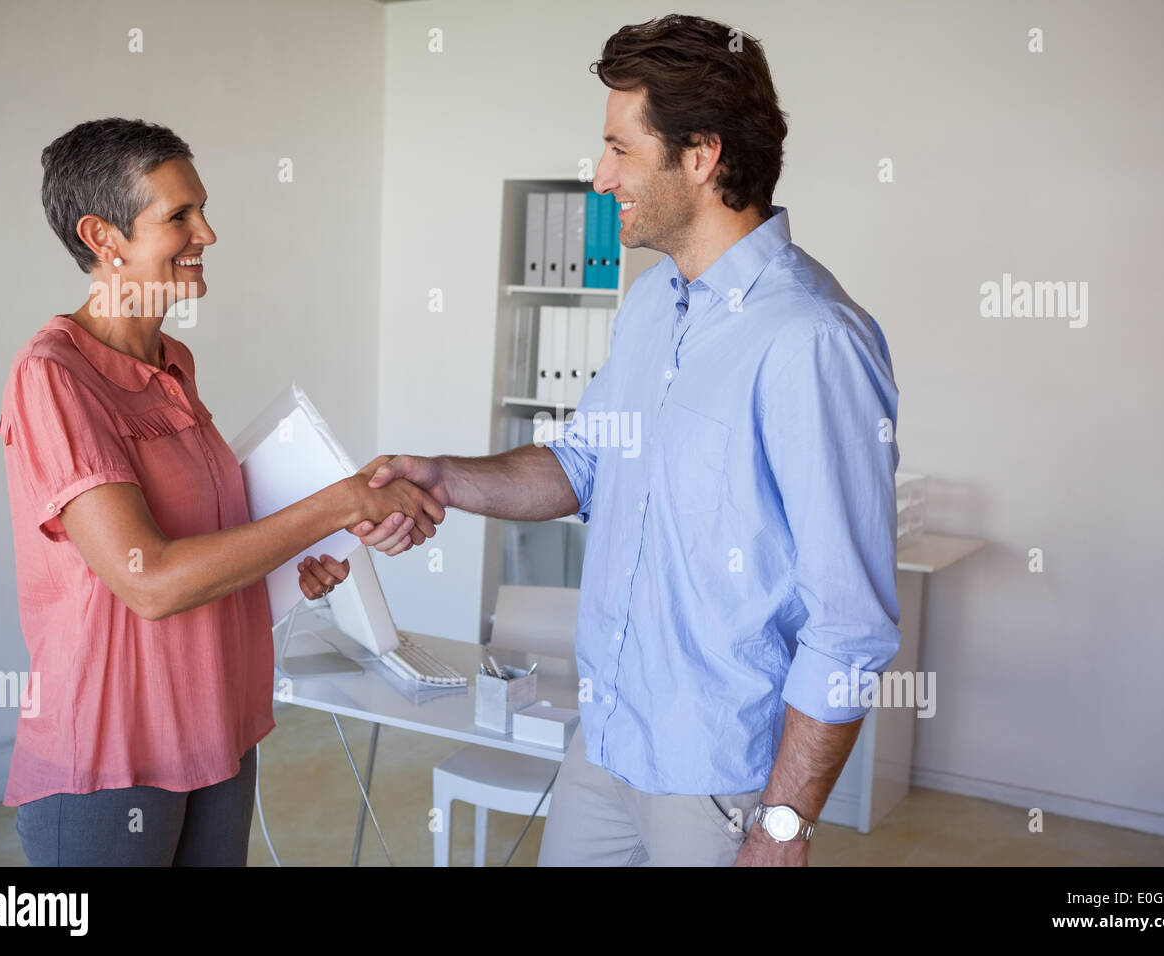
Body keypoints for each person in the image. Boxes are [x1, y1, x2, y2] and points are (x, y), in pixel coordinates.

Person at [336, 14, 903, 867]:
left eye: (619, 149)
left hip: (718, 778)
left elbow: (850, 627)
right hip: (603, 744)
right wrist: (442, 477)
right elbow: (581, 466)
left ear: (701, 156)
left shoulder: (812, 340)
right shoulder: (650, 304)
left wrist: (783, 824)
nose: (600, 177)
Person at [0, 117, 443, 866]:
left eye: (200, 208)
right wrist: (336, 504)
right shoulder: (53, 375)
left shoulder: (175, 362)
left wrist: (293, 561)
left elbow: (200, 547)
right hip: (116, 744)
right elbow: (152, 582)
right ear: (103, 238)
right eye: (178, 216)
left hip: (218, 724)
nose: (207, 231)